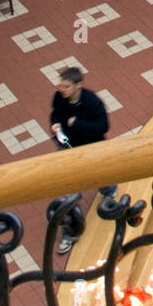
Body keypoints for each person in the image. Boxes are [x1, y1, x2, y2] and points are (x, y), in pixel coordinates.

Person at [49, 66, 113, 253]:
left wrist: (77, 124)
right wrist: (55, 124)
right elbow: (55, 113)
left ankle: (109, 191)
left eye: (66, 86)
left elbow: (103, 126)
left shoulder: (92, 103)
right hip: (69, 151)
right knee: (70, 189)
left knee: (100, 177)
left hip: (92, 150)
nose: (62, 90)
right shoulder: (58, 97)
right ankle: (70, 234)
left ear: (79, 85)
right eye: (60, 85)